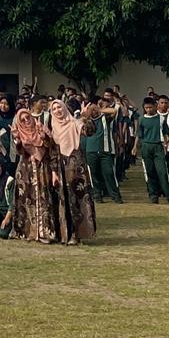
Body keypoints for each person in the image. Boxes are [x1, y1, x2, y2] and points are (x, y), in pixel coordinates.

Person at [48, 98, 96, 243]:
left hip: (77, 167)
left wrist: (85, 118)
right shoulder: (53, 127)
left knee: (78, 200)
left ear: (65, 108)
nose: (57, 111)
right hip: (62, 168)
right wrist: (54, 172)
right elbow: (53, 152)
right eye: (54, 109)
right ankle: (66, 234)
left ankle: (78, 234)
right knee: (64, 200)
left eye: (59, 107)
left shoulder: (75, 122)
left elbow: (90, 131)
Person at [9, 107, 56, 243]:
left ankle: (44, 232)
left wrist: (44, 137)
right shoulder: (18, 133)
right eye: (22, 120)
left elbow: (50, 147)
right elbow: (19, 152)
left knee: (43, 197)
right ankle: (29, 231)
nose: (26, 121)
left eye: (27, 117)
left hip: (42, 168)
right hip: (26, 170)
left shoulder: (41, 128)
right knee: (27, 199)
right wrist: (17, 141)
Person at [133, 95, 169, 205]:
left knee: (162, 172)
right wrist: (135, 147)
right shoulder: (142, 119)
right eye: (146, 108)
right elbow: (139, 135)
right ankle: (153, 195)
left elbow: (168, 133)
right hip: (146, 146)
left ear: (155, 106)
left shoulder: (161, 119)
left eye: (150, 107)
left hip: (158, 147)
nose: (148, 110)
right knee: (150, 172)